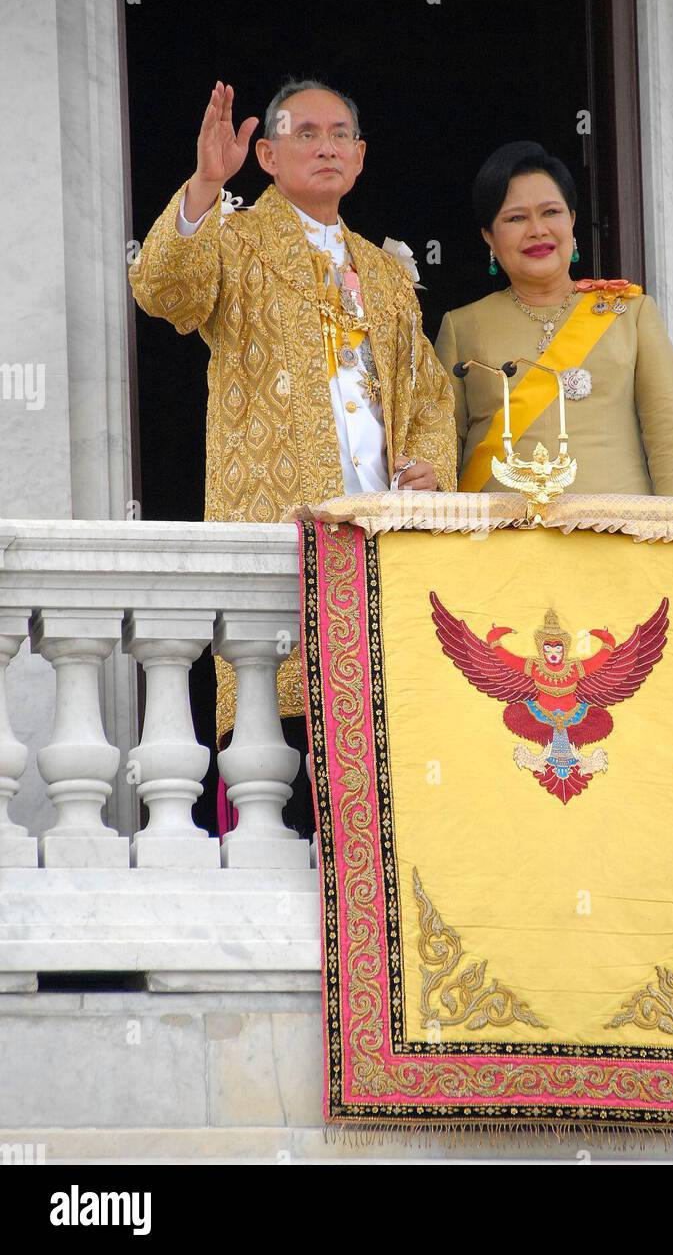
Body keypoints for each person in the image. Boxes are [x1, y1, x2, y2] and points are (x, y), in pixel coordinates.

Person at [129, 77, 457, 834]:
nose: (326, 146)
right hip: (279, 539)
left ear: (361, 156)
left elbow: (432, 397)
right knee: (279, 761)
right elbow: (161, 289)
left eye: (339, 133)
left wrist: (430, 464)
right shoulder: (234, 242)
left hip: (383, 547)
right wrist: (207, 184)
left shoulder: (384, 272)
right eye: (305, 133)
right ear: (268, 156)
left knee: (388, 773)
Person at [434, 141, 673, 496]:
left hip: (618, 537)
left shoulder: (630, 314)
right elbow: (440, 450)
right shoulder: (461, 326)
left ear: (572, 220)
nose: (537, 230)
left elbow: (670, 442)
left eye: (551, 212)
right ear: (489, 238)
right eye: (516, 218)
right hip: (499, 541)